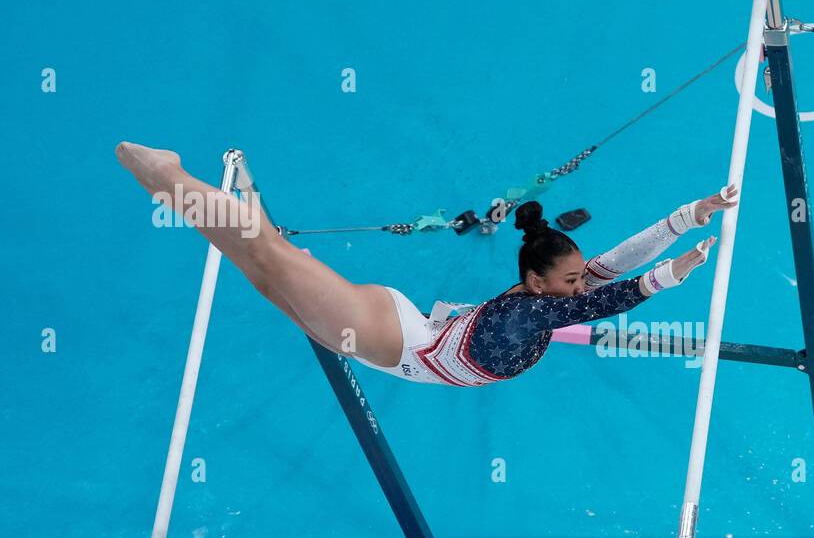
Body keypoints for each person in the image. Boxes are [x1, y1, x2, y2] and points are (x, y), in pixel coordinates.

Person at [115, 142, 736, 386]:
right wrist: (683, 268)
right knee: (268, 256)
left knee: (261, 271)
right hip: (396, 340)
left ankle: (218, 211)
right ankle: (169, 177)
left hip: (419, 333)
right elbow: (615, 296)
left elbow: (610, 267)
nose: (582, 285)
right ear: (533, 283)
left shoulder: (552, 296)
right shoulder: (534, 317)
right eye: (570, 280)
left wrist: (688, 215)